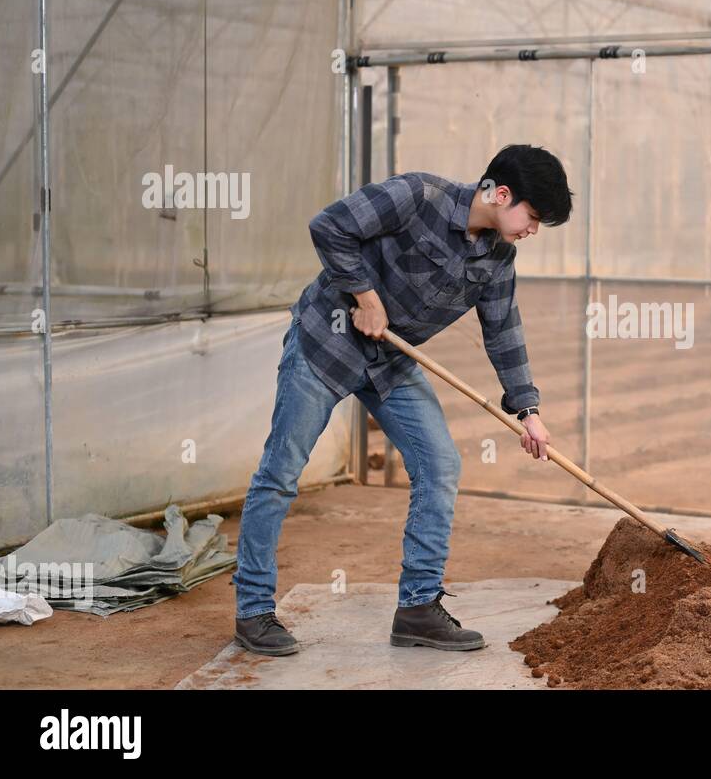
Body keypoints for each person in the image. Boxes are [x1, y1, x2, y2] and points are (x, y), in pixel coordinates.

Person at [230, 144, 573, 656]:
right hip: (328, 342)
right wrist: (366, 298)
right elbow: (330, 226)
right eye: (533, 217)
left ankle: (418, 609)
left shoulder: (499, 257)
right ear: (502, 195)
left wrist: (530, 413)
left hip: (391, 362)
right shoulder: (418, 196)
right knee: (280, 475)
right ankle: (253, 612)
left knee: (439, 467)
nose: (532, 230)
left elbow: (504, 333)